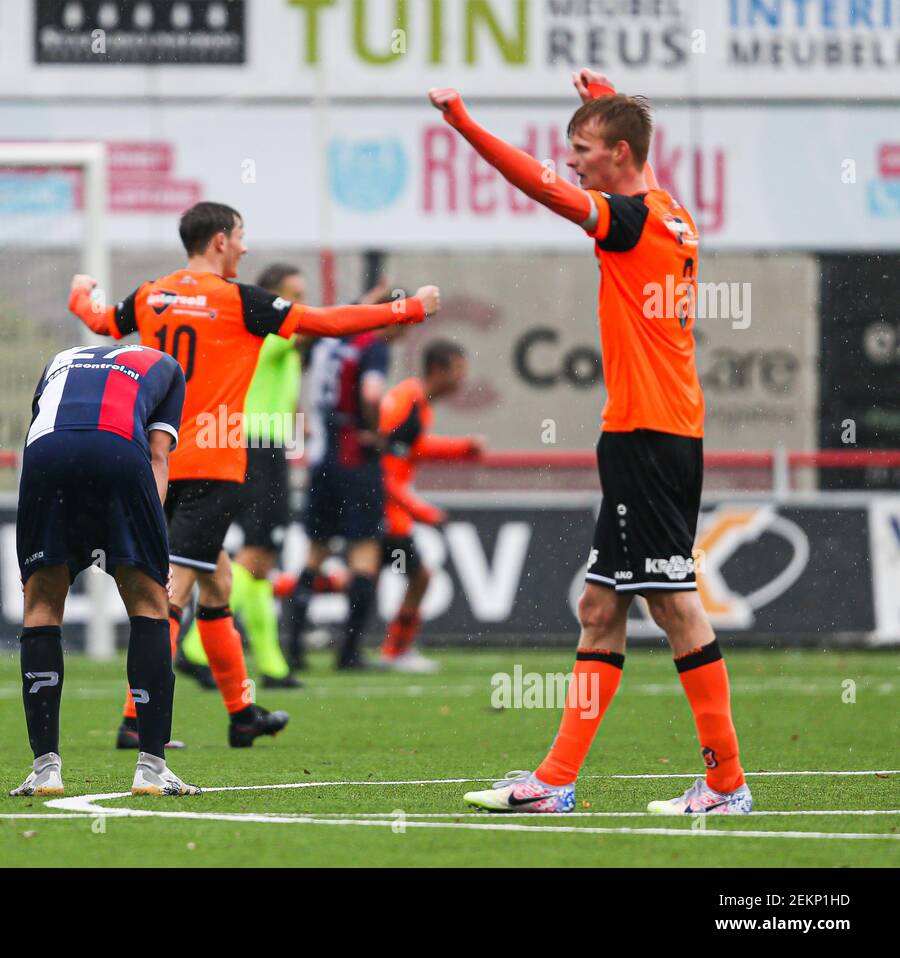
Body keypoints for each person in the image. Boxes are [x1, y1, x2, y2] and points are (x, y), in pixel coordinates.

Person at [432, 70, 749, 815]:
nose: (570, 159)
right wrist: (611, 98)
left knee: (673, 608)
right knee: (599, 609)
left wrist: (464, 124)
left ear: (618, 155)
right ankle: (554, 781)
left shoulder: (630, 218)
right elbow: (628, 153)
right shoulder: (669, 208)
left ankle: (728, 781)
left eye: (582, 148)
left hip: (651, 435)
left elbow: (543, 189)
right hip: (648, 433)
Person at [69, 201, 439, 747]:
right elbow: (325, 322)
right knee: (172, 593)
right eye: (240, 237)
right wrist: (404, 310)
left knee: (218, 585)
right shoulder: (240, 301)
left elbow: (100, 320)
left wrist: (81, 292)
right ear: (219, 241)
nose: (244, 247)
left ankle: (243, 713)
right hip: (216, 463)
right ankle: (135, 721)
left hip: (157, 459)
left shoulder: (151, 294)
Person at [8, 341, 197, 798]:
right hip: (117, 452)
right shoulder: (167, 368)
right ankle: (151, 768)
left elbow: (44, 428)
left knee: (41, 605)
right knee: (150, 604)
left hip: (45, 457)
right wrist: (154, 544)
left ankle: (45, 770)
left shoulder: (59, 358)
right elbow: (157, 456)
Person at [176, 263, 308, 690]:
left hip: (262, 445)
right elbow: (313, 329)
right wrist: (372, 310)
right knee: (254, 554)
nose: (300, 305)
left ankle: (272, 666)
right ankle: (197, 649)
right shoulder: (268, 333)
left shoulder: (272, 339)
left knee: (260, 558)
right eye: (293, 295)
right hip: (256, 446)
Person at [285, 312, 403, 671]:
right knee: (364, 553)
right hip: (356, 459)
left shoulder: (333, 342)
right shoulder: (374, 346)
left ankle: (292, 651)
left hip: (324, 458)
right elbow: (371, 392)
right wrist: (377, 431)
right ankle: (349, 653)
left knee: (314, 553)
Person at [378, 339, 483, 673]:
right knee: (417, 576)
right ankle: (395, 651)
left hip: (388, 506)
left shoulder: (418, 403)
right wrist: (418, 510)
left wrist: (459, 449)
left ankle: (287, 590)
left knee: (370, 575)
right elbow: (380, 461)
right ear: (439, 370)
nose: (462, 380)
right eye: (458, 371)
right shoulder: (404, 402)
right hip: (382, 507)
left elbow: (412, 448)